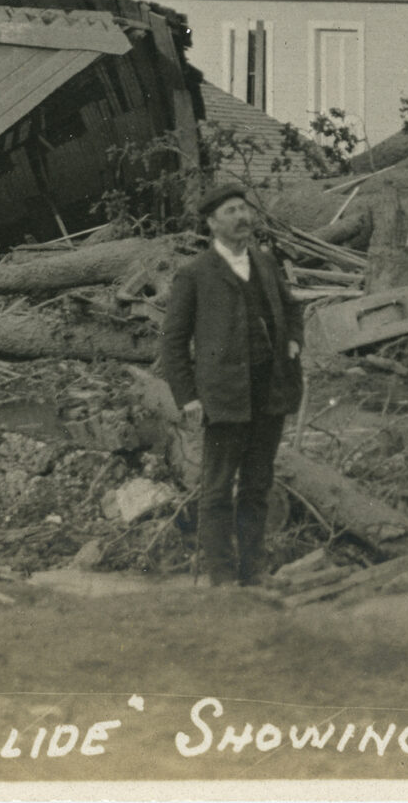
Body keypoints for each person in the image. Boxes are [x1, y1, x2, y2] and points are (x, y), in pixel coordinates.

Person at [158, 181, 304, 587]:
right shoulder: (195, 274)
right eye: (231, 212)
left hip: (270, 393)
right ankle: (221, 576)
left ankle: (253, 570)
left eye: (243, 208)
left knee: (257, 485)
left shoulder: (265, 263)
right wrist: (187, 397)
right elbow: (172, 341)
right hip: (223, 398)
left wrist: (293, 341)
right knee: (218, 489)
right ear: (211, 223)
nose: (242, 217)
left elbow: (292, 309)